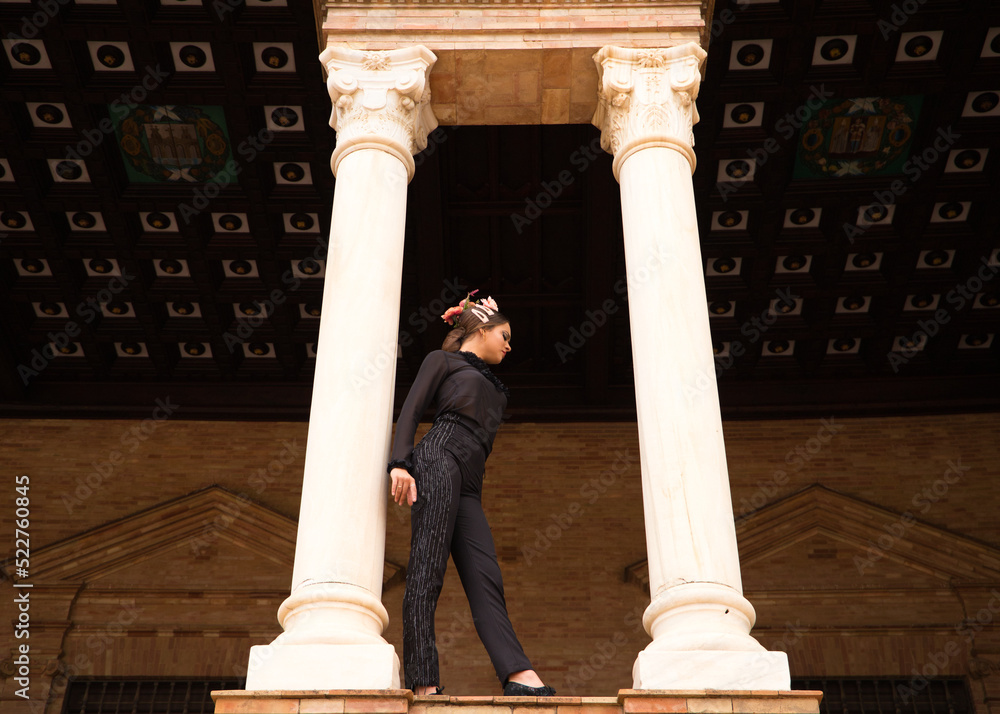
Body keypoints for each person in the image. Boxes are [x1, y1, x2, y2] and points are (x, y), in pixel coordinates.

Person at [387, 291, 555, 697]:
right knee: (427, 571)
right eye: (505, 334)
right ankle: (424, 682)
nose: (509, 345)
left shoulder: (488, 378)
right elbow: (410, 411)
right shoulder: (441, 360)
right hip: (439, 459)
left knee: (486, 577)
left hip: (471, 480)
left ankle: (518, 672)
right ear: (482, 329)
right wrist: (399, 463)